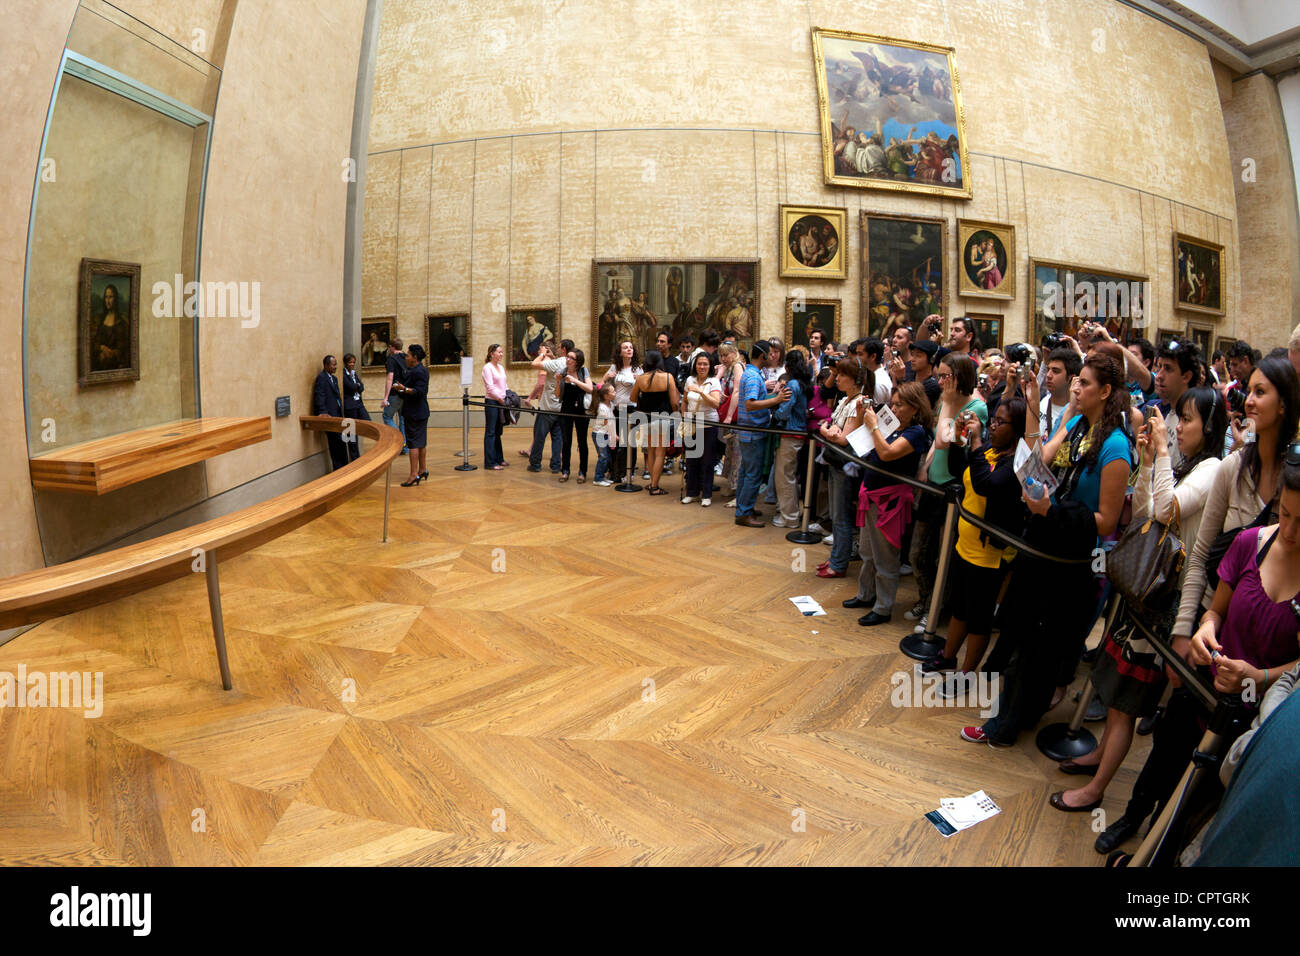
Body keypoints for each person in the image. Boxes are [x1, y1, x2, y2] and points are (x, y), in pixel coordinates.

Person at [1095, 356, 1300, 849]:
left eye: (1261, 392)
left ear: (1286, 402)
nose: (1248, 401)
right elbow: (1201, 553)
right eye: (1247, 390)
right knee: (1170, 742)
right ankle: (1133, 819)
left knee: (1213, 768)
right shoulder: (1234, 467)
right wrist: (1185, 629)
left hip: (1262, 641)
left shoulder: (1294, 479)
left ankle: (1167, 847)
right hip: (1214, 621)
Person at [1060, 391, 1226, 824]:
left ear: (1207, 427)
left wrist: (1163, 456)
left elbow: (1168, 510)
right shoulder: (1186, 465)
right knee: (1114, 690)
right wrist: (1150, 461)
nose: (1177, 427)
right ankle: (1099, 757)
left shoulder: (1211, 468)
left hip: (1167, 600)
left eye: (1185, 420)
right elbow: (1143, 515)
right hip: (1145, 590)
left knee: (1126, 703)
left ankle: (1096, 791)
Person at [965, 350, 1130, 748]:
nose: (1076, 386)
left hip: (1070, 558)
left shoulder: (1117, 446)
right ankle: (1011, 717)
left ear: (1106, 391)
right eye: (1077, 381)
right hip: (1043, 545)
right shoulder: (1076, 424)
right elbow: (1041, 457)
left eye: (1085, 383)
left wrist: (1051, 510)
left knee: (1041, 645)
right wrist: (1069, 411)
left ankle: (1005, 726)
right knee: (1022, 634)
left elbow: (1107, 521)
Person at [923, 398, 1027, 678]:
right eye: (993, 419)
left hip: (989, 556)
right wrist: (960, 439)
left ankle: (967, 673)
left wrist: (977, 440)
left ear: (1017, 428)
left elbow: (986, 485)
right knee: (959, 608)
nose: (992, 425)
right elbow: (962, 472)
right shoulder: (990, 451)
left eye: (1000, 422)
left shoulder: (1018, 462)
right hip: (965, 546)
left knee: (979, 619)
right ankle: (947, 658)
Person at [907, 354, 987, 623]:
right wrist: (926, 465)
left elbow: (946, 440)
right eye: (939, 375)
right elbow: (935, 443)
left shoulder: (977, 407)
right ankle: (926, 597)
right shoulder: (947, 401)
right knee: (917, 552)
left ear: (960, 376)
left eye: (945, 376)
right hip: (933, 485)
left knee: (945, 556)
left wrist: (950, 405)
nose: (940, 381)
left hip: (955, 491)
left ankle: (937, 610)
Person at [848, 381, 933, 625]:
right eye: (893, 403)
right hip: (871, 494)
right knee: (866, 551)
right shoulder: (890, 425)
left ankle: (883, 608)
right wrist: (860, 416)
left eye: (900, 405)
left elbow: (886, 453)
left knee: (885, 556)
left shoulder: (915, 432)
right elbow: (857, 443)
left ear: (915, 408)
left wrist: (874, 427)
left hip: (889, 502)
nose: (894, 409)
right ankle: (866, 595)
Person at [817, 358, 869, 576]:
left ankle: (839, 564)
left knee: (841, 516)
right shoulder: (846, 400)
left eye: (842, 375)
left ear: (854, 379)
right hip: (835, 461)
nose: (837, 378)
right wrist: (828, 430)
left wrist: (825, 430)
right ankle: (835, 558)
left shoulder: (859, 402)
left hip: (844, 464)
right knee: (836, 514)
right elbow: (830, 426)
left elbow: (843, 439)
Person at [735, 341, 789, 527]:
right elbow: (751, 405)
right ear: (763, 356)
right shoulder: (752, 377)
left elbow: (756, 399)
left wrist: (773, 395)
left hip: (749, 432)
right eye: (770, 354)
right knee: (753, 475)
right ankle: (743, 513)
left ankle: (744, 507)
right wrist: (777, 399)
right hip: (753, 432)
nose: (773, 357)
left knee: (745, 472)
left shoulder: (752, 374)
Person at [629, 350, 679, 494]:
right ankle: (655, 486)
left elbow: (632, 398)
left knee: (650, 451)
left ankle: (652, 482)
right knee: (660, 453)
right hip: (663, 418)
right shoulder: (668, 377)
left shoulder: (640, 378)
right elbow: (674, 402)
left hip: (646, 418)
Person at [772, 350, 811, 527]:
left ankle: (789, 517)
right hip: (798, 432)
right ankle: (790, 512)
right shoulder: (802, 383)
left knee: (784, 476)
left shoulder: (793, 385)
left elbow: (784, 411)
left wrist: (774, 413)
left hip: (790, 433)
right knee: (790, 475)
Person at [680, 351, 722, 506]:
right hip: (691, 424)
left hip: (708, 424)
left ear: (710, 366)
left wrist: (699, 391)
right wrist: (684, 417)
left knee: (707, 460)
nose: (702, 366)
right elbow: (684, 401)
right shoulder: (690, 379)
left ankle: (706, 494)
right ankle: (691, 492)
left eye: (705, 364)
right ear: (695, 365)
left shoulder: (714, 382)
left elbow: (716, 403)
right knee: (691, 460)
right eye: (699, 363)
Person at [603, 341, 643, 483]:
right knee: (615, 440)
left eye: (631, 347)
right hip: (616, 409)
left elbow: (643, 389)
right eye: (625, 347)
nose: (629, 349)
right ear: (620, 352)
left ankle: (628, 471)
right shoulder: (615, 367)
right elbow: (603, 385)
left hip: (631, 410)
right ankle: (614, 471)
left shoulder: (637, 369)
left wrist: (639, 381)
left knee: (628, 442)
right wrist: (607, 377)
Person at [528, 340, 569, 473]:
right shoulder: (570, 363)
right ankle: (556, 466)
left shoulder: (556, 363)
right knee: (557, 438)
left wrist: (543, 354)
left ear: (563, 349)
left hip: (547, 407)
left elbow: (533, 364)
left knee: (539, 437)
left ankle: (535, 464)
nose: (556, 348)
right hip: (560, 408)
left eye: (559, 347)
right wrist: (553, 357)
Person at [393, 344, 429, 485]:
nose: (406, 358)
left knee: (413, 444)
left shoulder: (418, 371)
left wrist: (404, 388)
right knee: (421, 443)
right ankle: (422, 470)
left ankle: (413, 475)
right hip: (420, 411)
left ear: (415, 357)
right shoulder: (418, 369)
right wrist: (403, 389)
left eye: (408, 355)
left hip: (415, 412)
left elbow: (419, 392)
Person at [557, 349, 592, 482]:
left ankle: (582, 472)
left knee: (582, 441)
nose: (568, 359)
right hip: (566, 409)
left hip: (581, 410)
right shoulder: (563, 371)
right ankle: (565, 471)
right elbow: (557, 394)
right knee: (566, 441)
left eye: (571, 358)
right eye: (568, 357)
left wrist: (574, 380)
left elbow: (590, 388)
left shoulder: (583, 371)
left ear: (577, 362)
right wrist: (557, 381)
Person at [312, 355, 349, 470]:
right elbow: (320, 396)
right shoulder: (322, 378)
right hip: (329, 416)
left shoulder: (334, 379)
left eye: (336, 364)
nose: (335, 367)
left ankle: (345, 466)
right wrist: (323, 412)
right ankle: (338, 468)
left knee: (343, 441)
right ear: (326, 365)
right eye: (333, 364)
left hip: (338, 415)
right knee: (335, 444)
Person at [90, 282, 130, 372]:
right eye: (106, 297)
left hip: (114, 364)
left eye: (110, 297)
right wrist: (102, 348)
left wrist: (112, 353)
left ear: (115, 299)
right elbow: (95, 342)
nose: (108, 301)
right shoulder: (100, 319)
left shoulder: (121, 322)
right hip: (99, 363)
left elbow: (123, 348)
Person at [482, 343, 507, 470]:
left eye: (502, 352)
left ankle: (499, 458)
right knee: (491, 432)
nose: (501, 354)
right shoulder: (487, 368)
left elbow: (504, 385)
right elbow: (490, 388)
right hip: (492, 402)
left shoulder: (501, 367)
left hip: (501, 401)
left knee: (498, 431)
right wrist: (499, 399)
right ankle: (490, 462)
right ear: (492, 354)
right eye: (499, 352)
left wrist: (509, 395)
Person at [341, 353, 370, 462]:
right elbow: (351, 386)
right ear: (346, 363)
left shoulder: (354, 373)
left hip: (358, 404)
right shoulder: (343, 374)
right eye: (350, 362)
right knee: (351, 434)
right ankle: (355, 458)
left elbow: (361, 387)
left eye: (354, 362)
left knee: (368, 422)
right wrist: (356, 386)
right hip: (350, 406)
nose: (352, 364)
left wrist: (357, 386)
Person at [381, 337, 407, 454]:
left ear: (392, 347)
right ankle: (405, 447)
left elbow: (389, 378)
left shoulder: (391, 359)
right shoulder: (407, 357)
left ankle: (399, 440)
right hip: (406, 393)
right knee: (403, 419)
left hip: (395, 394)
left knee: (387, 417)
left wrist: (385, 397)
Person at [590, 384, 618, 486]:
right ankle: (597, 479)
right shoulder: (602, 408)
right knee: (603, 457)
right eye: (613, 391)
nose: (615, 393)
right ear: (606, 396)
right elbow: (607, 423)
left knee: (606, 456)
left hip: (605, 434)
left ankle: (601, 476)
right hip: (600, 435)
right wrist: (614, 435)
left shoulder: (610, 405)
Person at [908, 339, 941, 408]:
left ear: (931, 359)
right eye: (912, 354)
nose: (912, 359)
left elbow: (910, 406)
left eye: (918, 355)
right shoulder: (909, 377)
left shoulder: (933, 386)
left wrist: (900, 378)